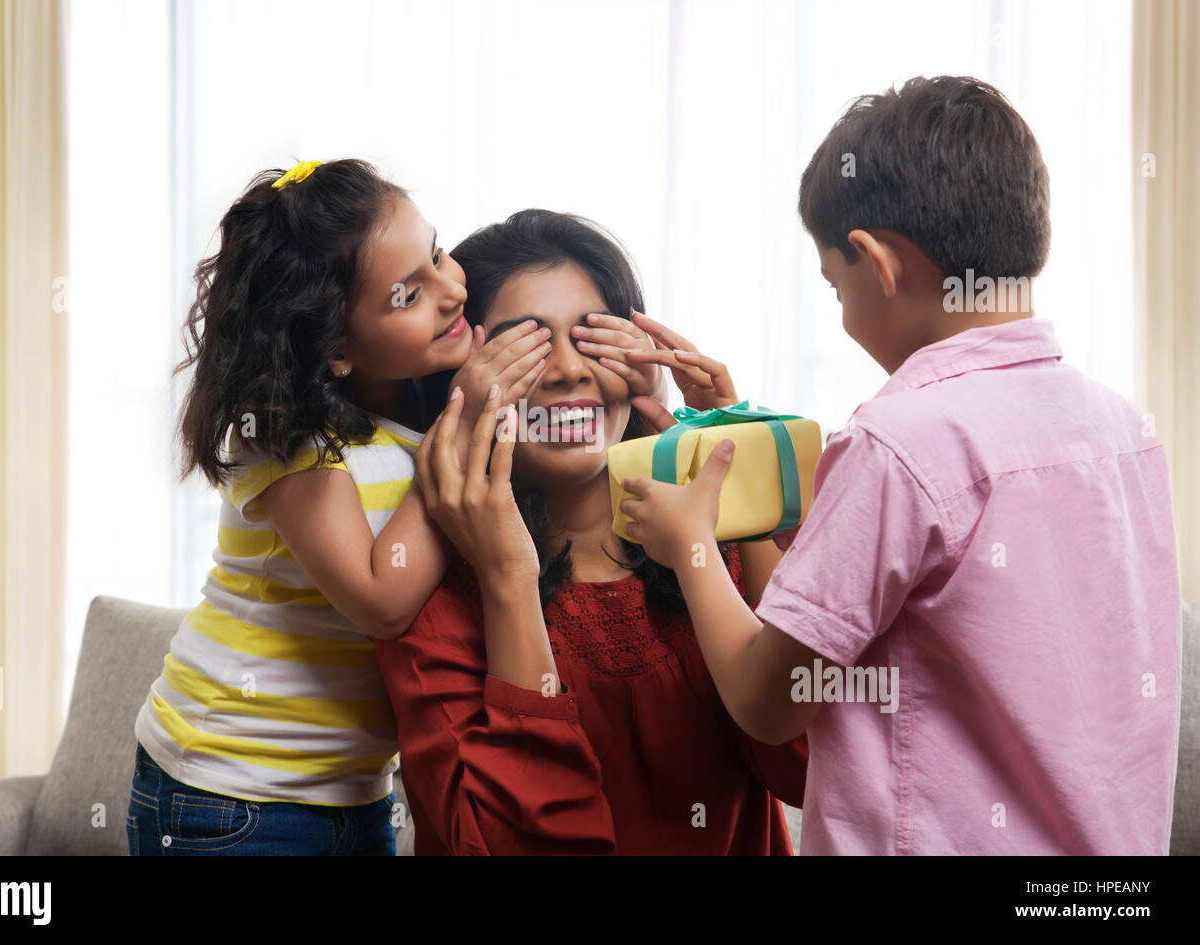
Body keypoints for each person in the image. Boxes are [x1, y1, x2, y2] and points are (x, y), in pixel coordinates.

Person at [620, 76, 1182, 854]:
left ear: (876, 262)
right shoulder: (1123, 429)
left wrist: (688, 544)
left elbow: (768, 697)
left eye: (835, 288)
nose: (843, 314)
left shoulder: (897, 442)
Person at [127, 158, 550, 855]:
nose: (451, 291)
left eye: (438, 253)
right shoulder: (288, 439)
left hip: (356, 792)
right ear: (337, 349)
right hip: (229, 789)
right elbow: (381, 599)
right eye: (406, 295)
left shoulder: (422, 413)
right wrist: (466, 415)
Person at [375, 209, 808, 855]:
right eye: (526, 347)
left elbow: (801, 765)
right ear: (462, 384)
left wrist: (741, 472)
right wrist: (507, 581)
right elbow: (507, 844)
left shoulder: (708, 548)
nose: (568, 370)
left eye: (592, 337)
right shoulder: (436, 595)